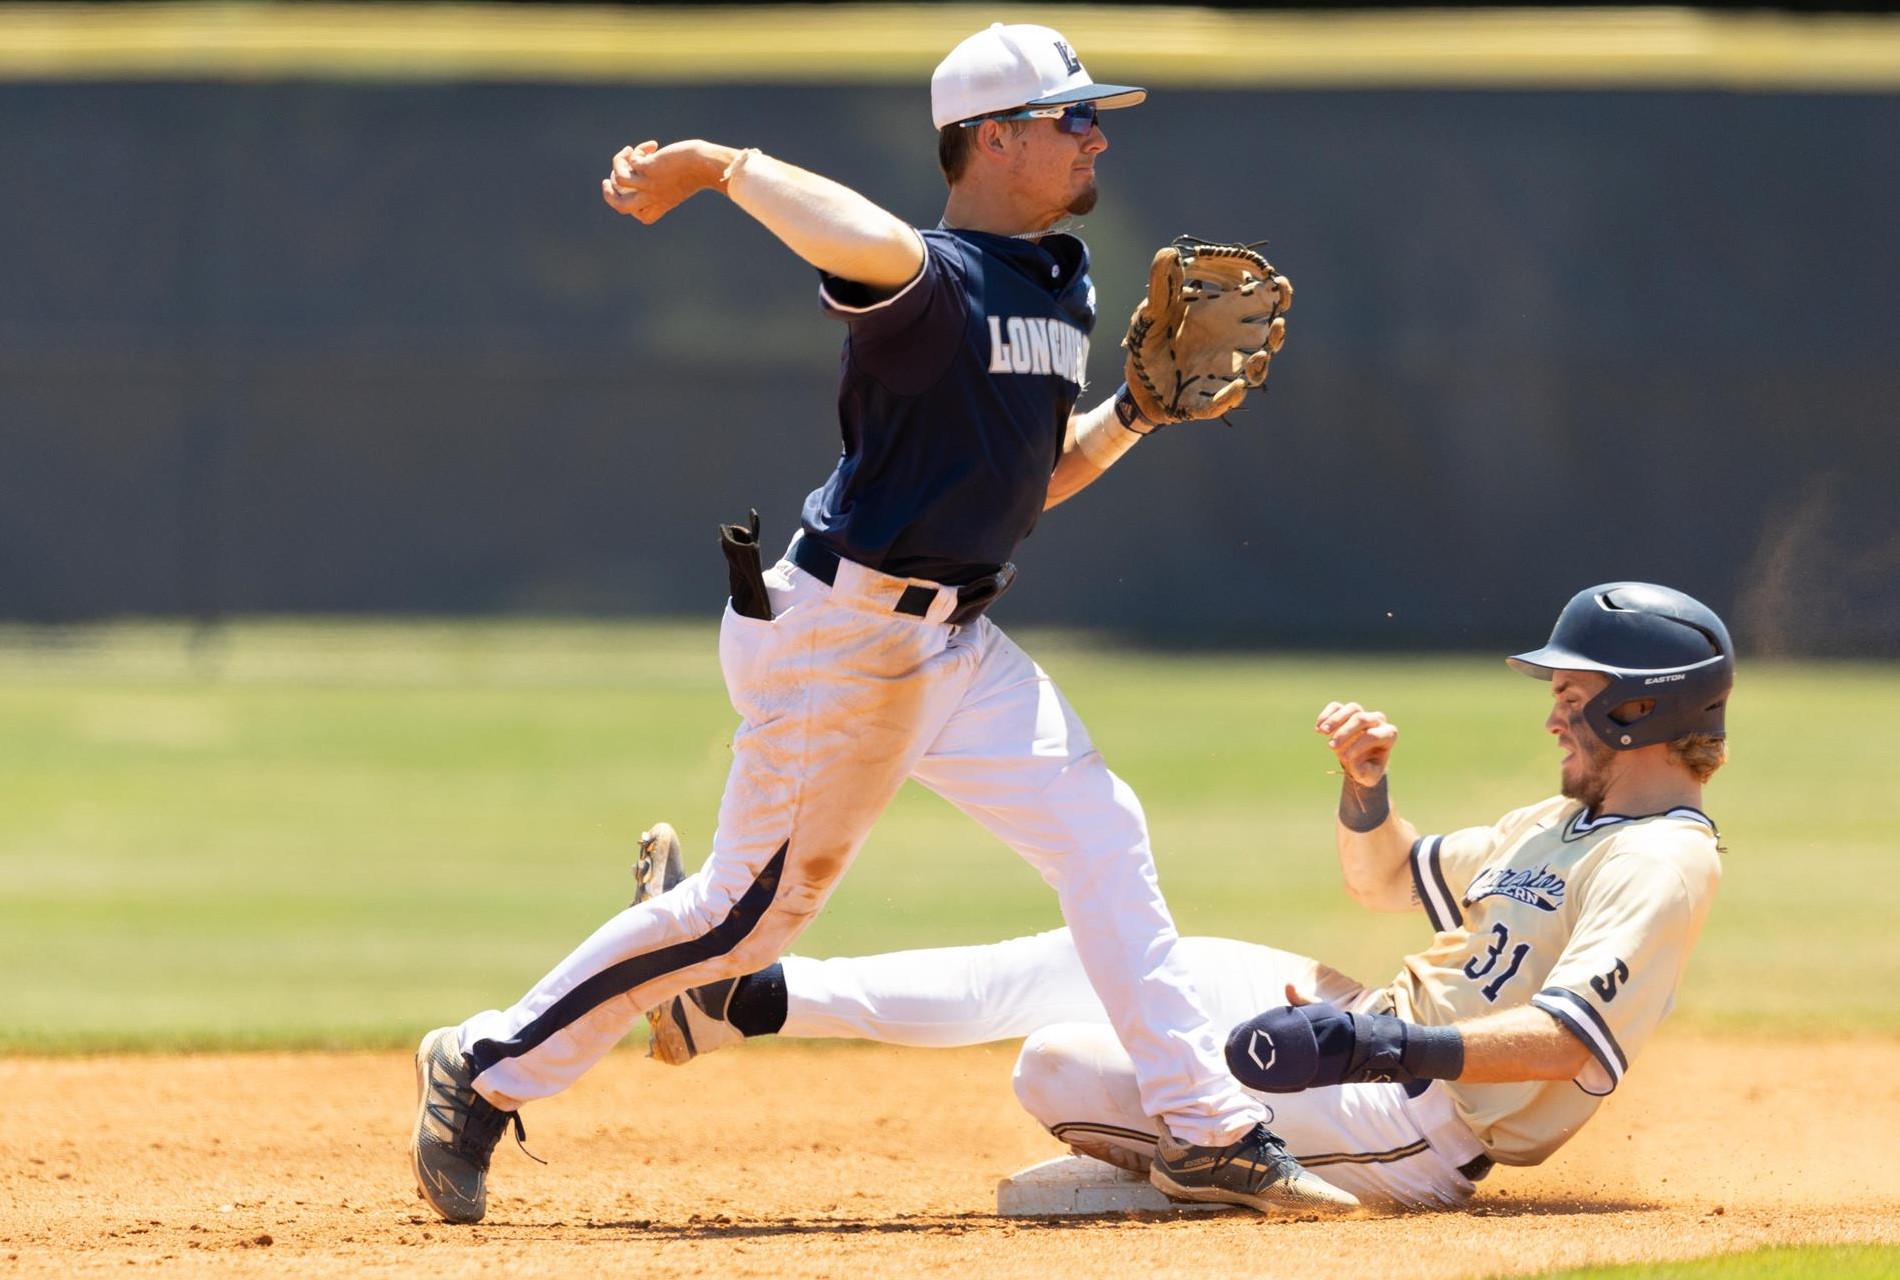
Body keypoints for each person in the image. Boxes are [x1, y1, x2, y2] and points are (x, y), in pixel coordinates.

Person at [411, 22, 1352, 1223]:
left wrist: (1130, 414)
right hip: (842, 638)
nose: (1096, 134)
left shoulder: (1057, 280)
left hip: (950, 638)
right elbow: (866, 240)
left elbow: (1030, 480)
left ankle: (1207, 1127)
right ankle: (479, 1068)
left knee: (1100, 831)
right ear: (992, 139)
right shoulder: (924, 283)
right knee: (745, 917)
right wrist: (711, 162)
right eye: (1072, 118)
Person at [640, 582, 1733, 1210]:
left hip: (1418, 1127)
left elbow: (1564, 1042)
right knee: (1080, 949)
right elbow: (1383, 876)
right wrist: (1367, 791)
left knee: (1054, 1062)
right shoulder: (1557, 822)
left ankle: (1194, 1174)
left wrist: (1369, 1045)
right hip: (1362, 1034)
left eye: (1574, 693)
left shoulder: (1660, 860)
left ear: (1639, 713)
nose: (1553, 713)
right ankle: (735, 997)